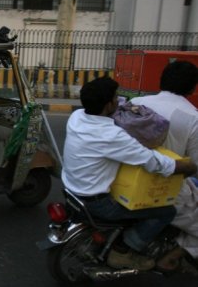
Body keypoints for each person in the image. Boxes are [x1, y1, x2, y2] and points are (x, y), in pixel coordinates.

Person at [62, 76, 196, 271]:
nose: (119, 100)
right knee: (166, 212)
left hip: (72, 191)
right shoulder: (112, 136)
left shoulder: (77, 117)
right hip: (99, 204)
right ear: (108, 105)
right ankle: (123, 251)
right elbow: (152, 161)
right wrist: (184, 167)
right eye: (116, 98)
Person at [131, 61, 198, 265]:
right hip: (164, 188)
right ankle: (171, 257)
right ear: (193, 87)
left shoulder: (136, 102)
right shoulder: (192, 117)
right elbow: (195, 164)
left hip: (125, 178)